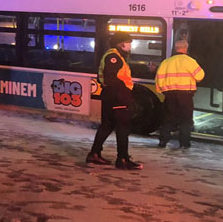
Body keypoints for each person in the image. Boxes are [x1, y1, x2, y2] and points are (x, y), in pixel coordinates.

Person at [86, 32, 142, 170]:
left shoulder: (112, 55)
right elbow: (110, 78)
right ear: (121, 43)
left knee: (107, 126)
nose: (130, 45)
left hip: (111, 95)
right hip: (117, 96)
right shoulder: (114, 57)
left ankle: (95, 154)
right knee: (123, 127)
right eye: (128, 42)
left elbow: (103, 78)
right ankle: (122, 159)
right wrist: (123, 91)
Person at [155, 39, 205, 149]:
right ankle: (184, 143)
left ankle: (163, 141)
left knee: (168, 119)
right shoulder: (190, 61)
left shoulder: (166, 62)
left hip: (169, 95)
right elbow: (200, 76)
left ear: (175, 48)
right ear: (186, 48)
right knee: (186, 120)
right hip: (185, 95)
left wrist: (162, 91)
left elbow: (158, 79)